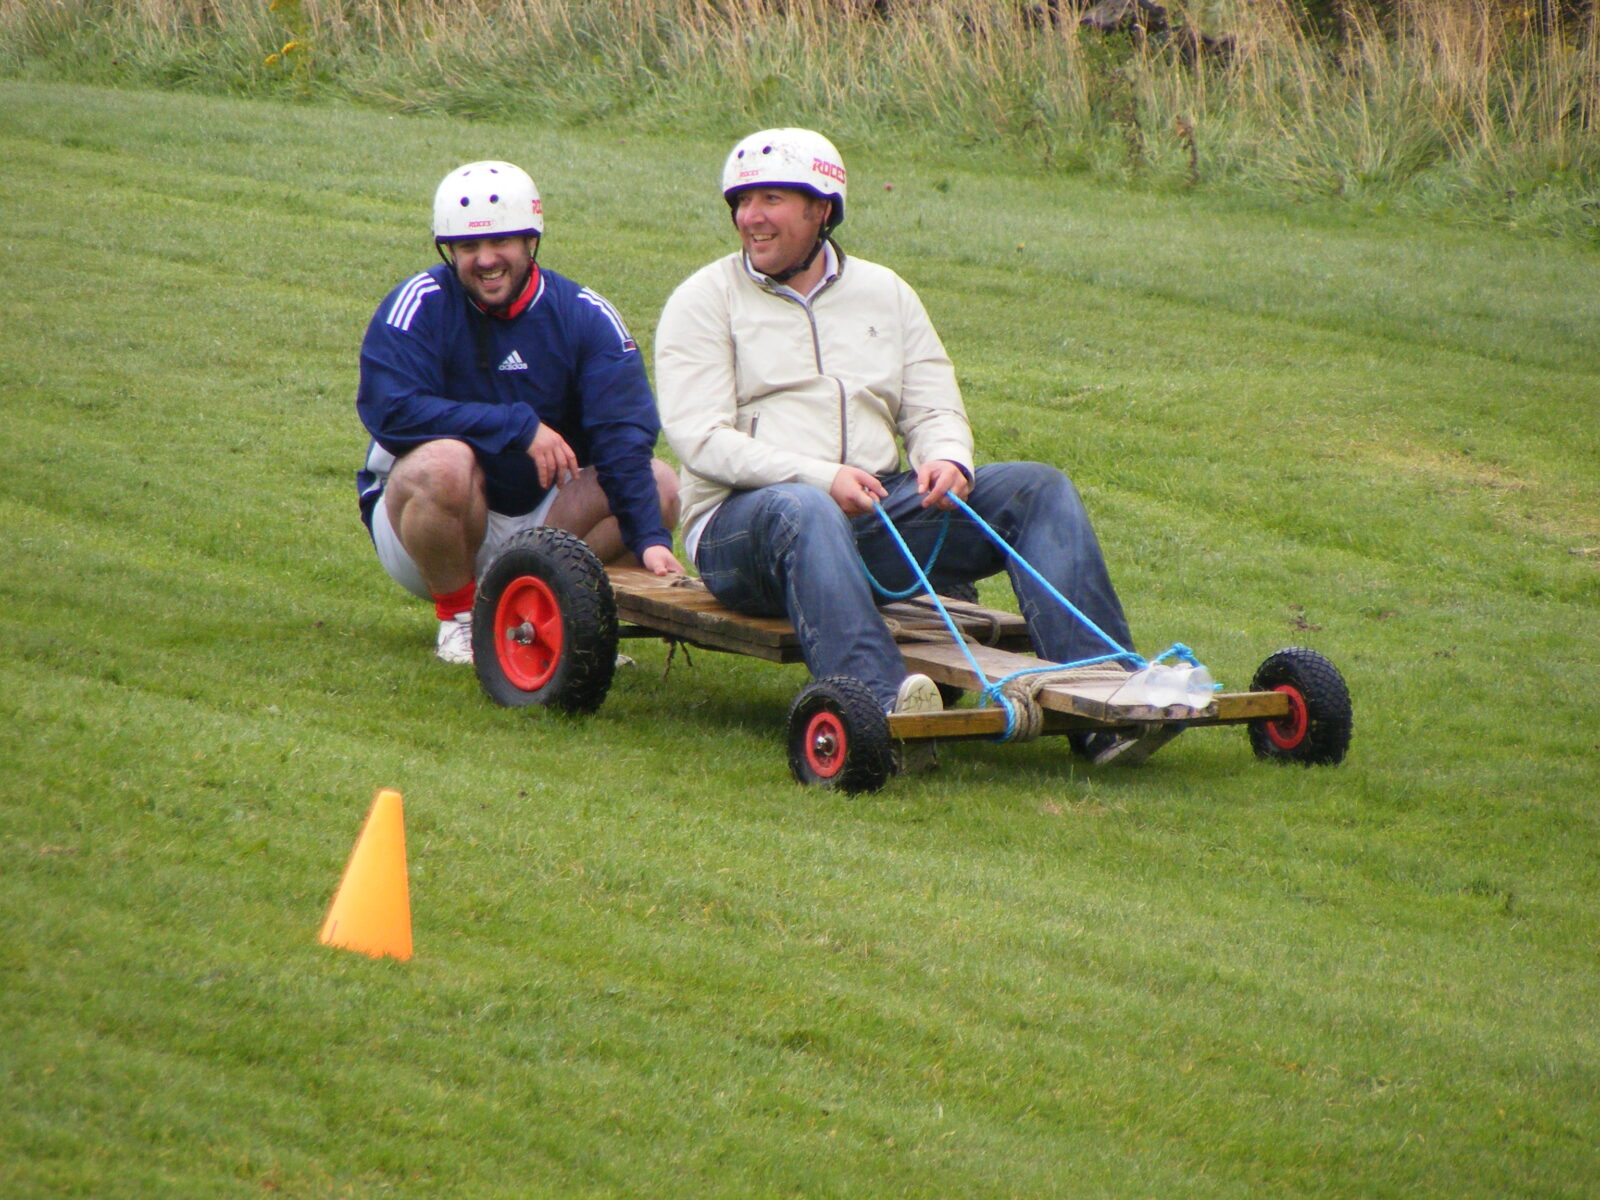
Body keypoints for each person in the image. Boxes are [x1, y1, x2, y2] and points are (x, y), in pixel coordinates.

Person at [654, 128, 1138, 763]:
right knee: (805, 509)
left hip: (874, 512)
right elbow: (701, 439)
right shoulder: (703, 301)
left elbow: (933, 403)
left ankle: (1106, 702)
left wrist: (946, 457)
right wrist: (819, 476)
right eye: (741, 202)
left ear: (822, 209)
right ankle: (882, 706)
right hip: (743, 529)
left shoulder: (887, 293)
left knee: (1036, 487)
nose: (750, 218)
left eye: (769, 199)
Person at [357, 160, 682, 664]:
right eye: (468, 247)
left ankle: (558, 610)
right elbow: (388, 409)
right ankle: (460, 619)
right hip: (429, 523)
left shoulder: (584, 314)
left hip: (547, 517)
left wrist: (651, 538)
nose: (486, 260)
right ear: (449, 251)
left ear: (531, 241)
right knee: (444, 463)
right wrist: (517, 425)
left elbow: (622, 433)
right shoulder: (417, 303)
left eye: (501, 243)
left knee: (660, 485)